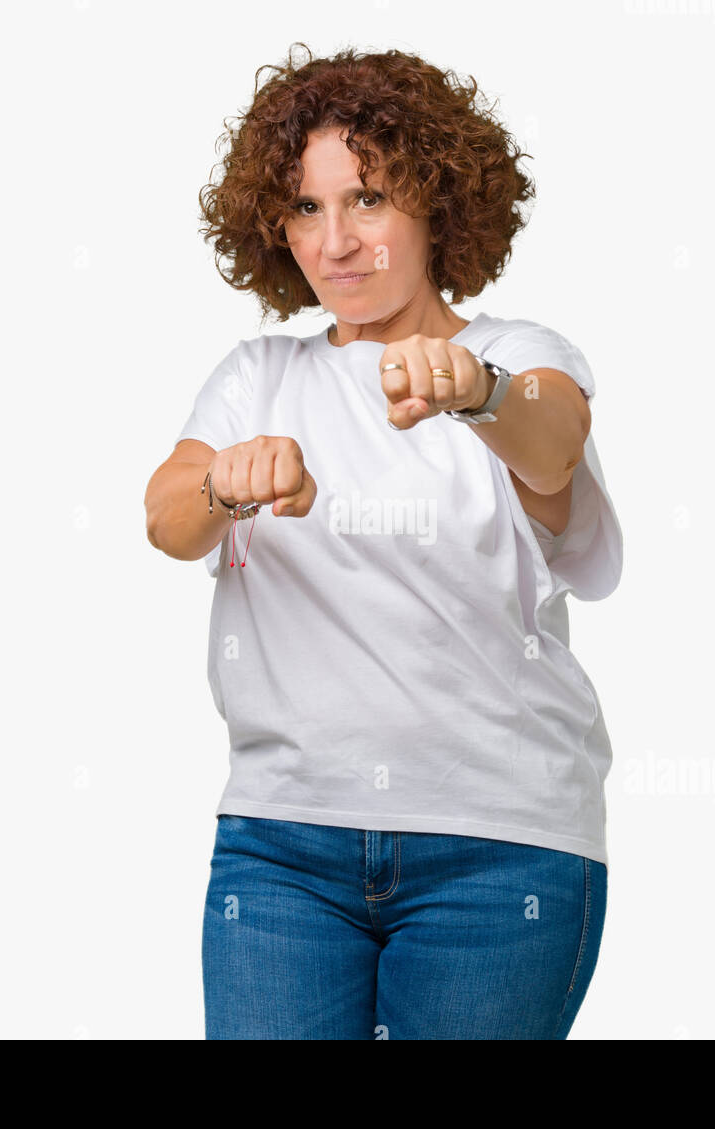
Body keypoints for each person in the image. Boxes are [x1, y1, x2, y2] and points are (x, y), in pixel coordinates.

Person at [143, 44, 623, 1039]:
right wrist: (223, 481)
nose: (336, 241)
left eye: (366, 198)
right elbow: (165, 514)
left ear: (435, 205)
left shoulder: (518, 358)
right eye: (308, 209)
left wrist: (476, 391)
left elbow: (553, 438)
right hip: (280, 852)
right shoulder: (256, 376)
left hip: (498, 852)